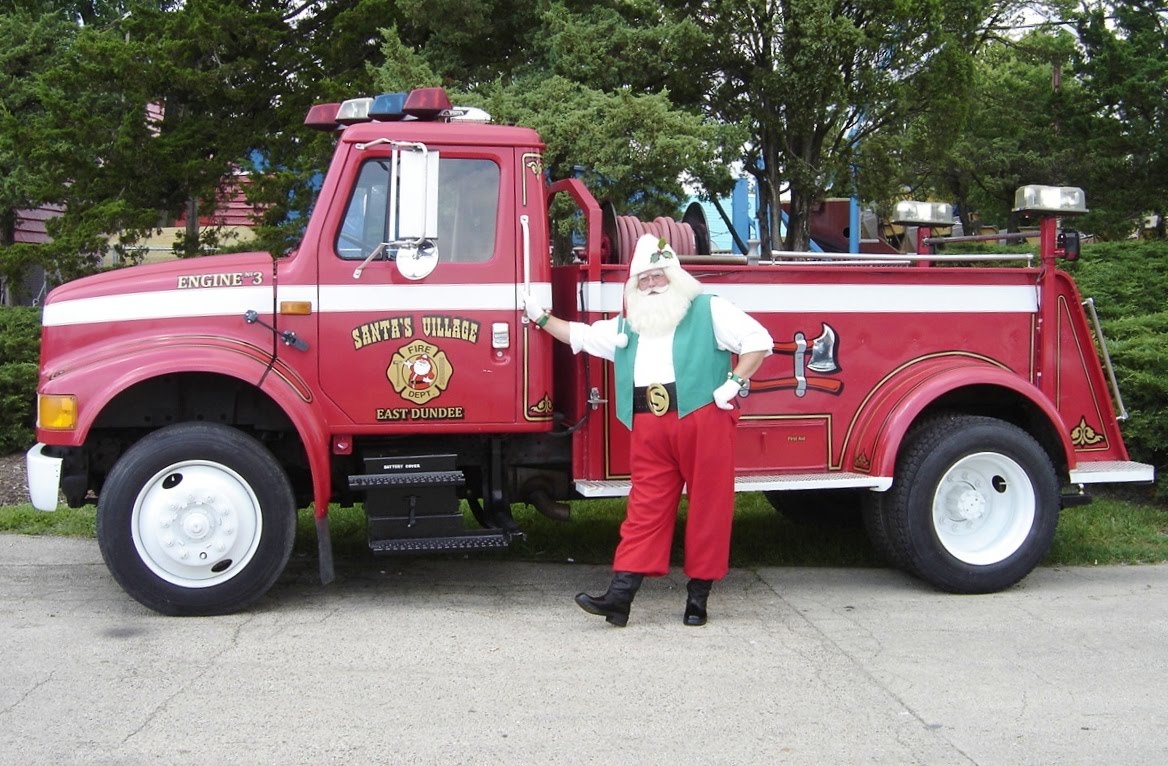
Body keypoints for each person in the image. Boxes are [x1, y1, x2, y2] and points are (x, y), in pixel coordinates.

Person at [523, 233, 773, 627]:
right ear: (634, 286)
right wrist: (539, 317)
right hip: (648, 425)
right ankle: (620, 599)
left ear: (674, 276)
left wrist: (734, 383)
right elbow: (581, 336)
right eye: (644, 278)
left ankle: (698, 600)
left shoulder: (709, 308)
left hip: (703, 417)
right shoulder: (629, 325)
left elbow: (758, 340)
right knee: (645, 509)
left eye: (658, 276)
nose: (652, 284)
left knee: (710, 506)